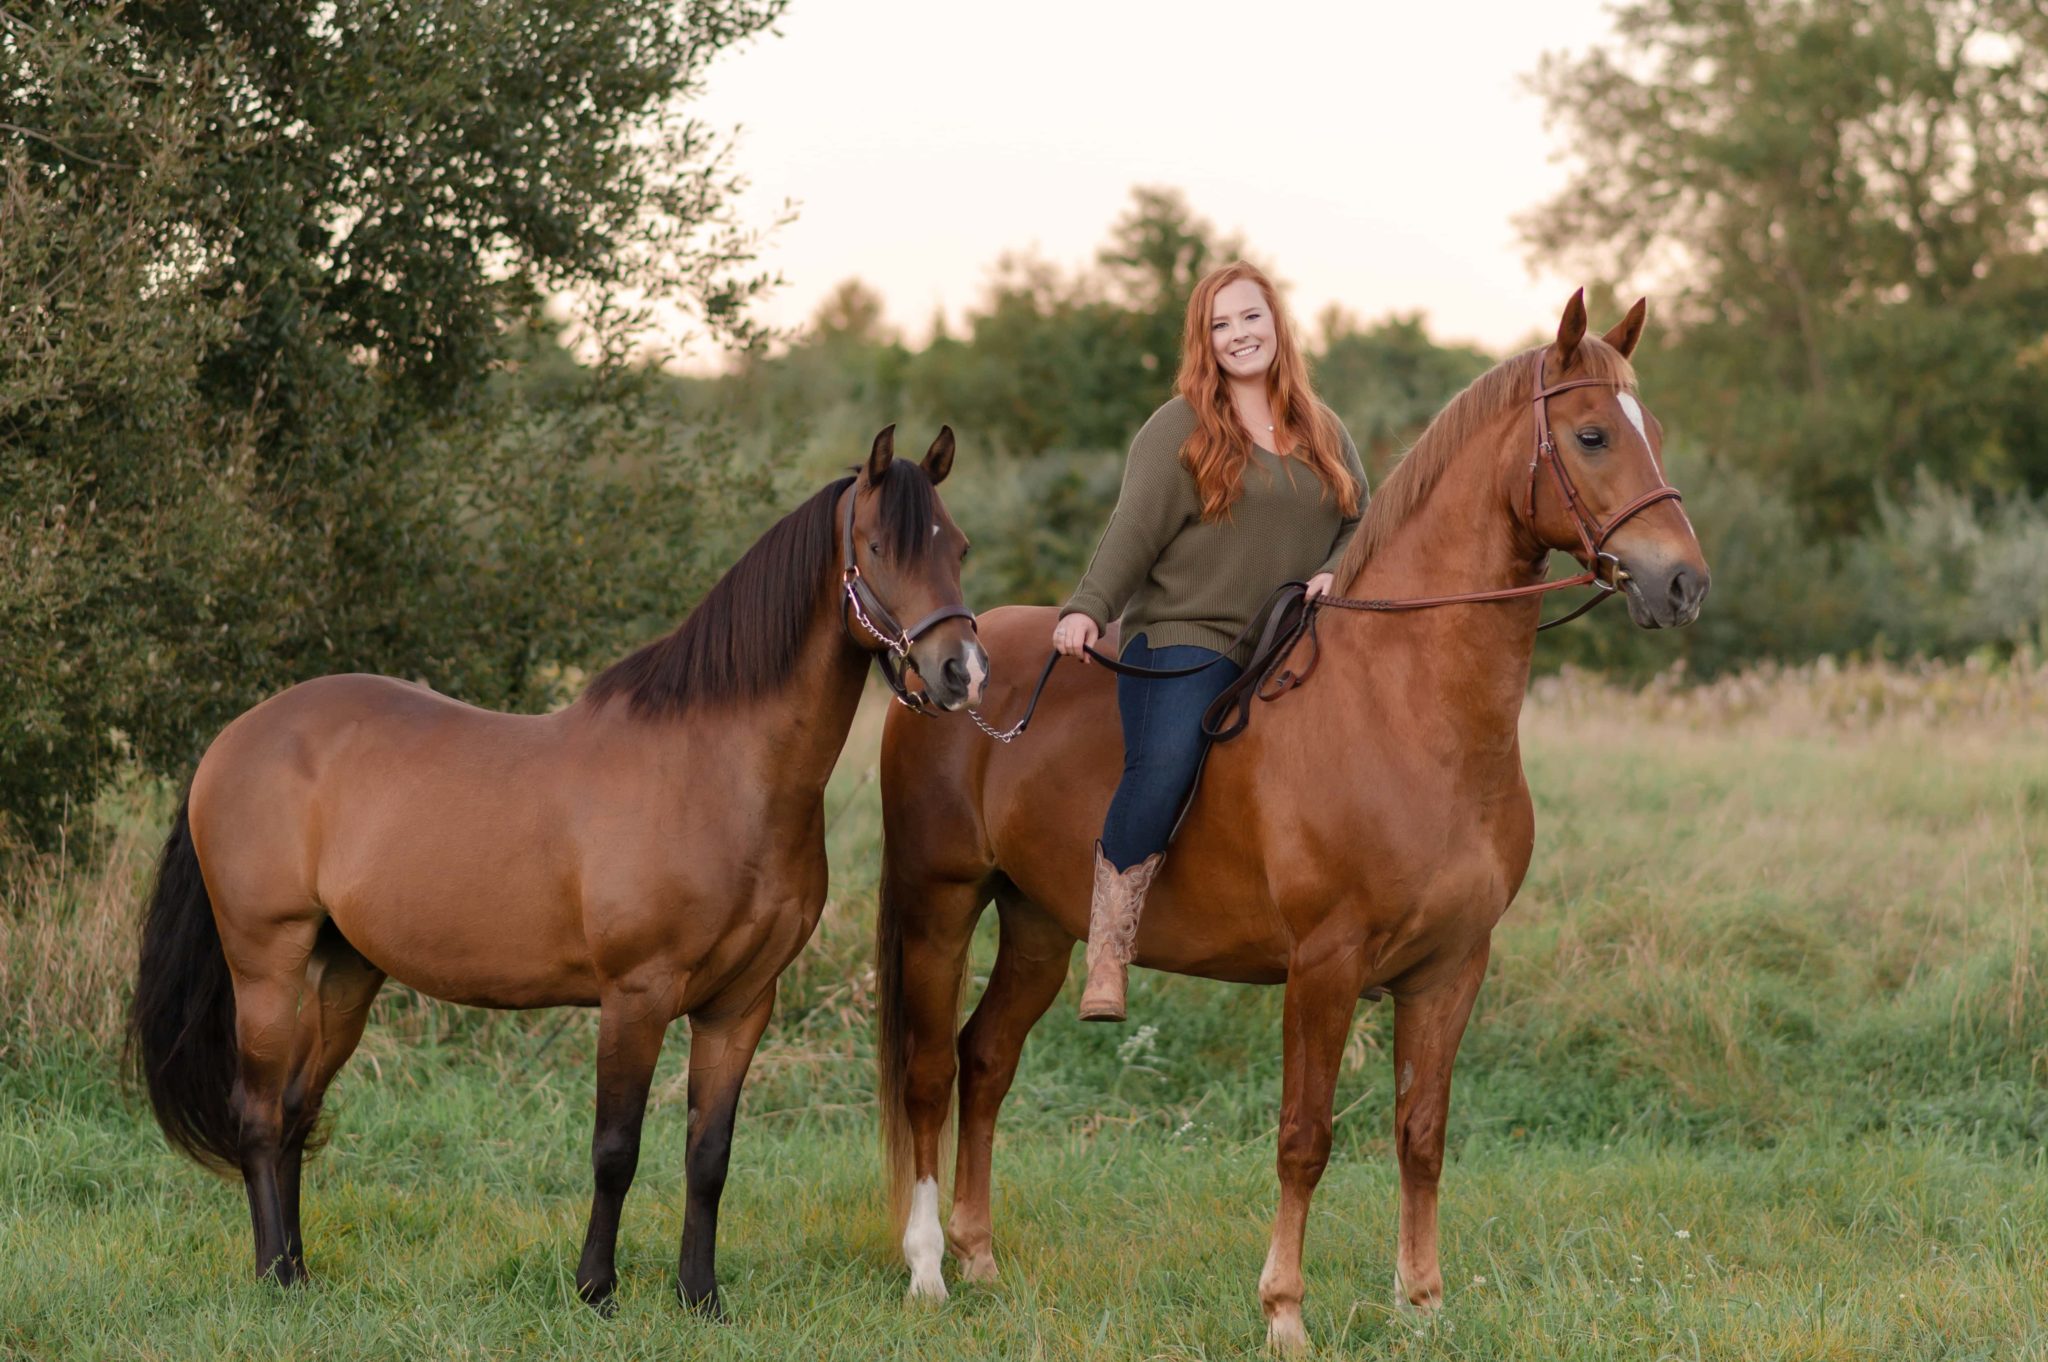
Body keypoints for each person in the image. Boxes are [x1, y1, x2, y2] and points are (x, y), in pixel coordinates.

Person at [1053, 261, 1369, 1022]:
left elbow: (1363, 517)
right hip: (1189, 638)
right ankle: (1107, 953)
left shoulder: (1321, 429)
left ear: (1276, 324)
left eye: (1250, 318)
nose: (1238, 335)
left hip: (1289, 641)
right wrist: (1088, 607)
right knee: (1161, 769)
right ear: (1205, 341)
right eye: (1220, 325)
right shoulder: (1181, 426)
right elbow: (1132, 530)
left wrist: (1335, 570)